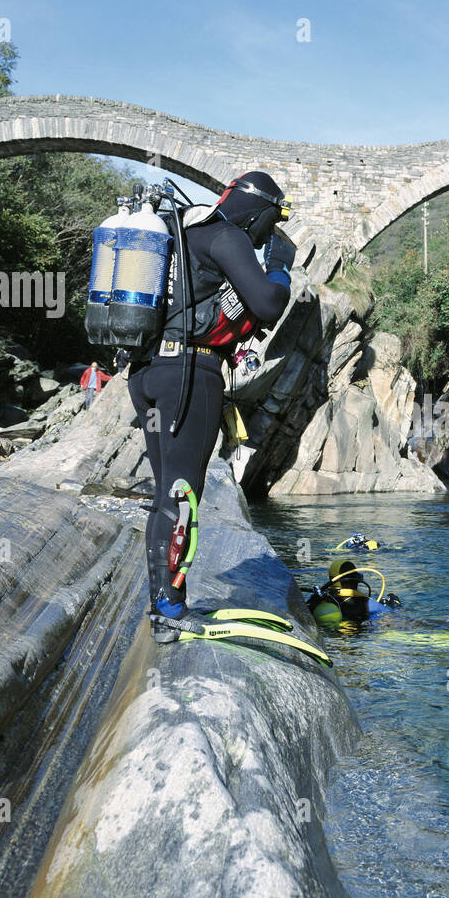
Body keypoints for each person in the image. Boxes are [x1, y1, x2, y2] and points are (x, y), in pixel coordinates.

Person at [133, 170, 295, 642]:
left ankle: (163, 600)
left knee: (166, 492)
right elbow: (266, 303)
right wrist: (280, 266)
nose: (269, 230)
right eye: (273, 218)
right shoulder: (225, 234)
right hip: (190, 372)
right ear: (259, 210)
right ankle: (170, 609)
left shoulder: (181, 233)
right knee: (182, 495)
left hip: (147, 374)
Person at [306, 558, 400, 625]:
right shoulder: (366, 603)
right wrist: (396, 608)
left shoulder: (323, 599)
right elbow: (392, 619)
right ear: (355, 580)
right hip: (362, 635)